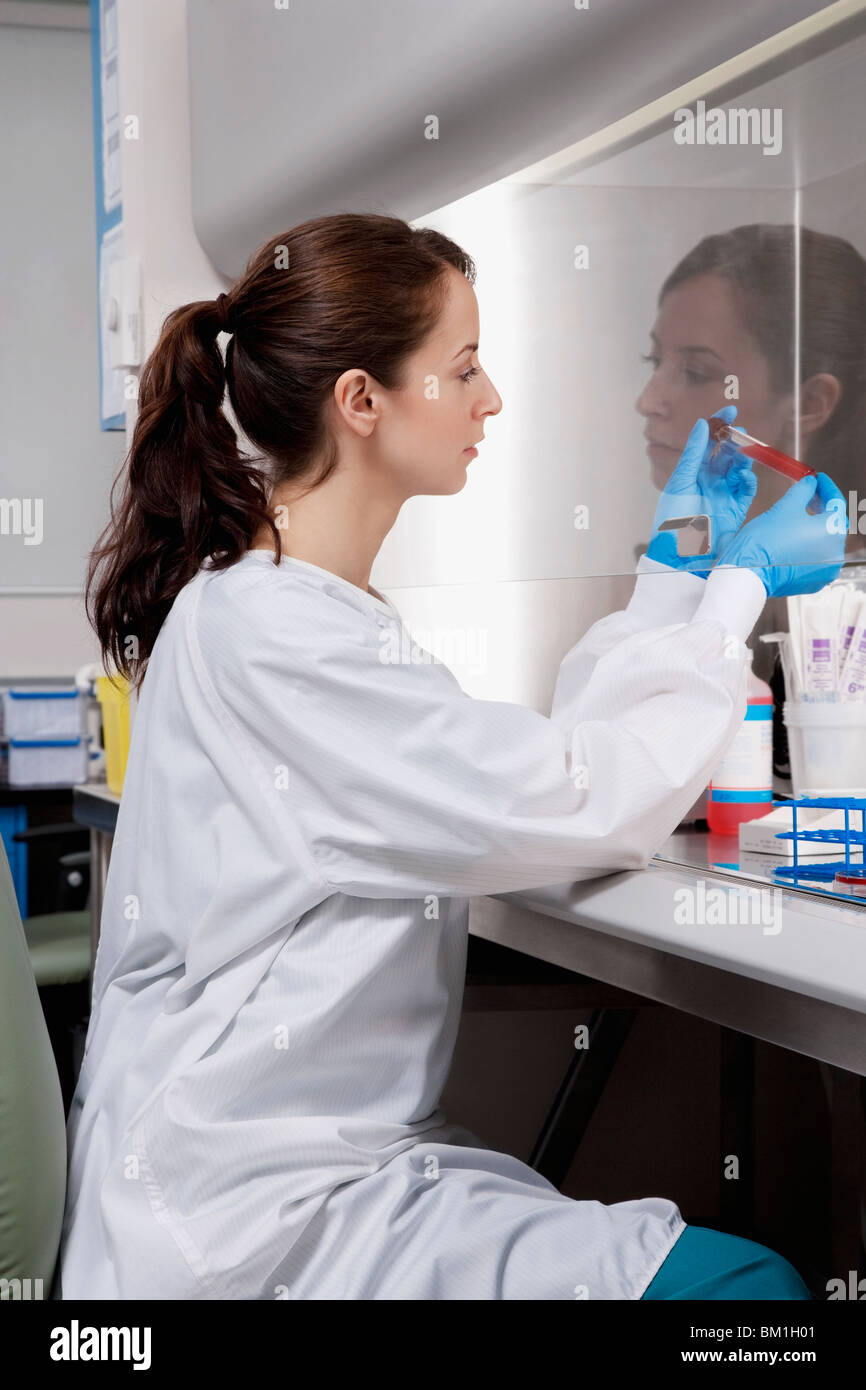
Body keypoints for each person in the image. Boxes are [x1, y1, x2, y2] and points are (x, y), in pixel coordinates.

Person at [59, 212, 839, 1301]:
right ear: (362, 403)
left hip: (292, 1165)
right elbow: (573, 798)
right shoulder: (278, 636)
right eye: (461, 368)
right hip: (251, 1218)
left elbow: (541, 773)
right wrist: (738, 590)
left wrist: (675, 573)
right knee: (744, 1294)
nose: (491, 400)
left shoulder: (286, 607)